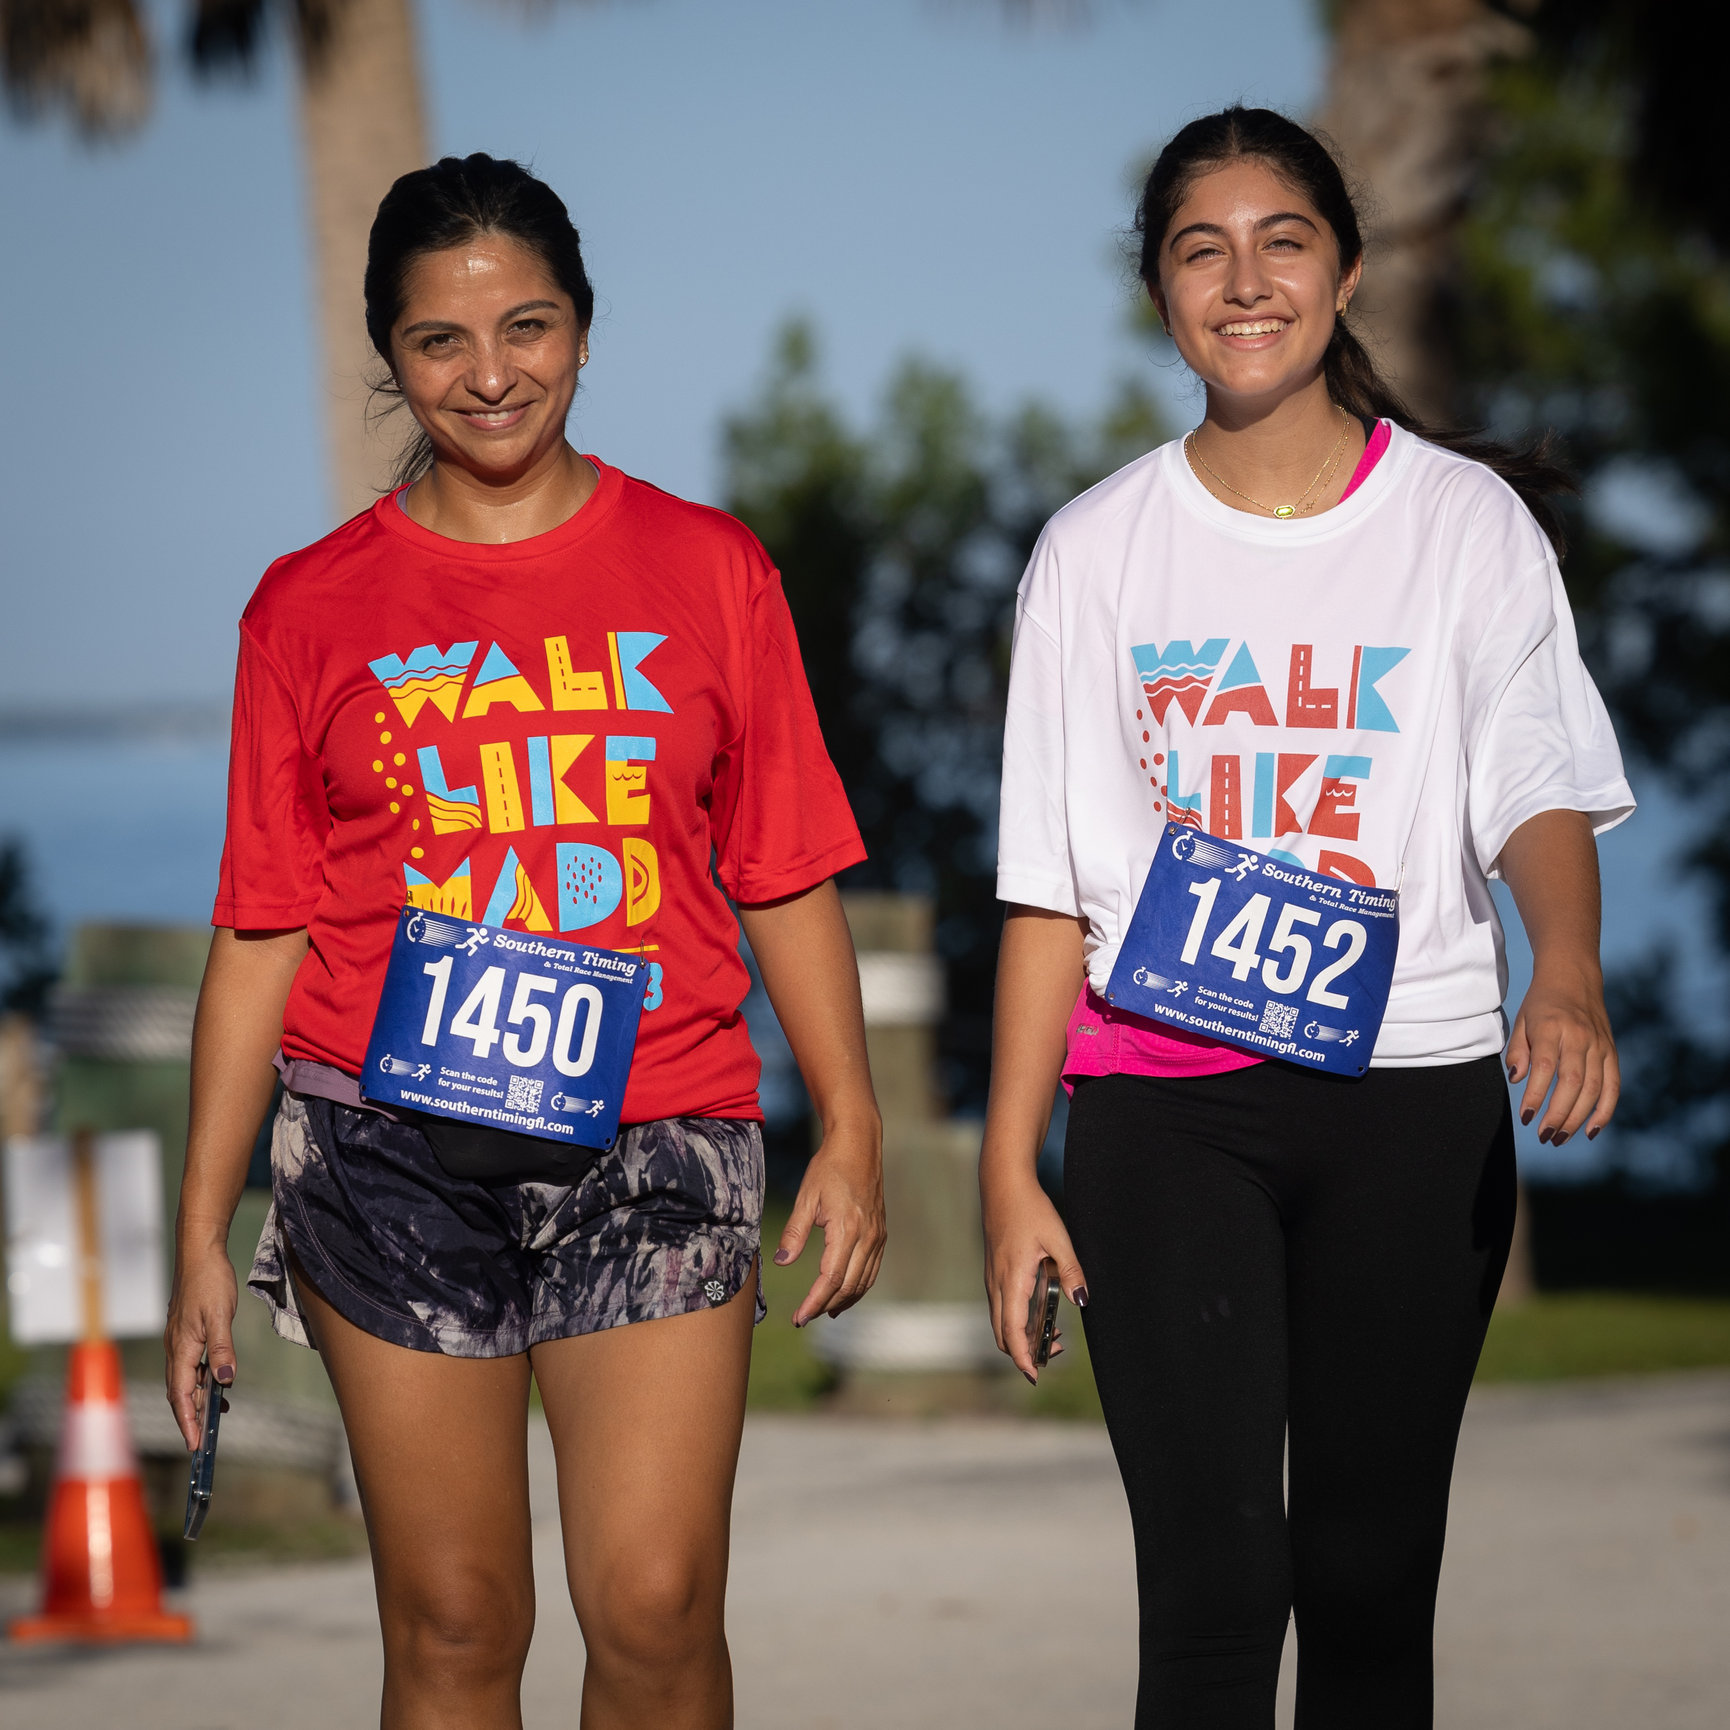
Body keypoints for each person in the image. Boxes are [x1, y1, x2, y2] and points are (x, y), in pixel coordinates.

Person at [165, 153, 885, 1730]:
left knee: (651, 1605)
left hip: (657, 1132)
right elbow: (261, 927)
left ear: (582, 330)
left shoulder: (709, 568)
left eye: (529, 327)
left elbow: (780, 868)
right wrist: (199, 1235)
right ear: (391, 353)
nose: (490, 374)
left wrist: (850, 1120)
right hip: (383, 1144)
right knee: (453, 1620)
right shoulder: (305, 608)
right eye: (440, 341)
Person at [981, 107, 1632, 1728]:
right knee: (1210, 1597)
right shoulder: (1091, 553)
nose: (1245, 277)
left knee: (1363, 1593)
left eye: (1283, 239)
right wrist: (1007, 1168)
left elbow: (1531, 783)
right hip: (1159, 1111)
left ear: (1343, 271)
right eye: (1200, 248)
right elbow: (1048, 888)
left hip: (1409, 1099)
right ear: (1157, 295)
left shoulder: (1460, 529)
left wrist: (1566, 969)